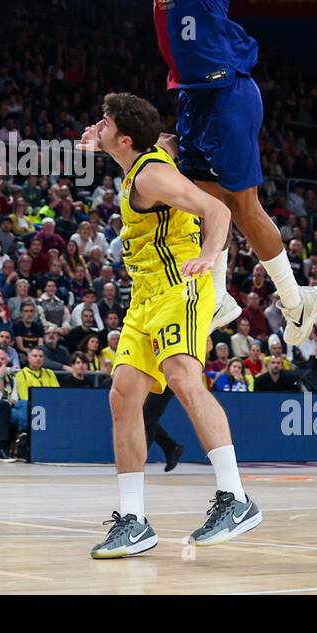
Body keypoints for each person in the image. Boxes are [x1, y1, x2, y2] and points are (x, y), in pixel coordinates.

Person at [138, 0, 317, 342]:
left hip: (230, 94)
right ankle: (218, 300)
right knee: (200, 200)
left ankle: (296, 300)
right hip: (193, 96)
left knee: (242, 205)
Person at [85, 94, 260, 559]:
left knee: (183, 376)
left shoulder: (151, 174)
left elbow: (218, 211)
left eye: (104, 122)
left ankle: (236, 498)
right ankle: (134, 521)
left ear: (125, 139)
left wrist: (210, 255)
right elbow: (162, 137)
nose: (96, 125)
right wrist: (98, 142)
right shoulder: (141, 154)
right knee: (122, 394)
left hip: (179, 287)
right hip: (144, 299)